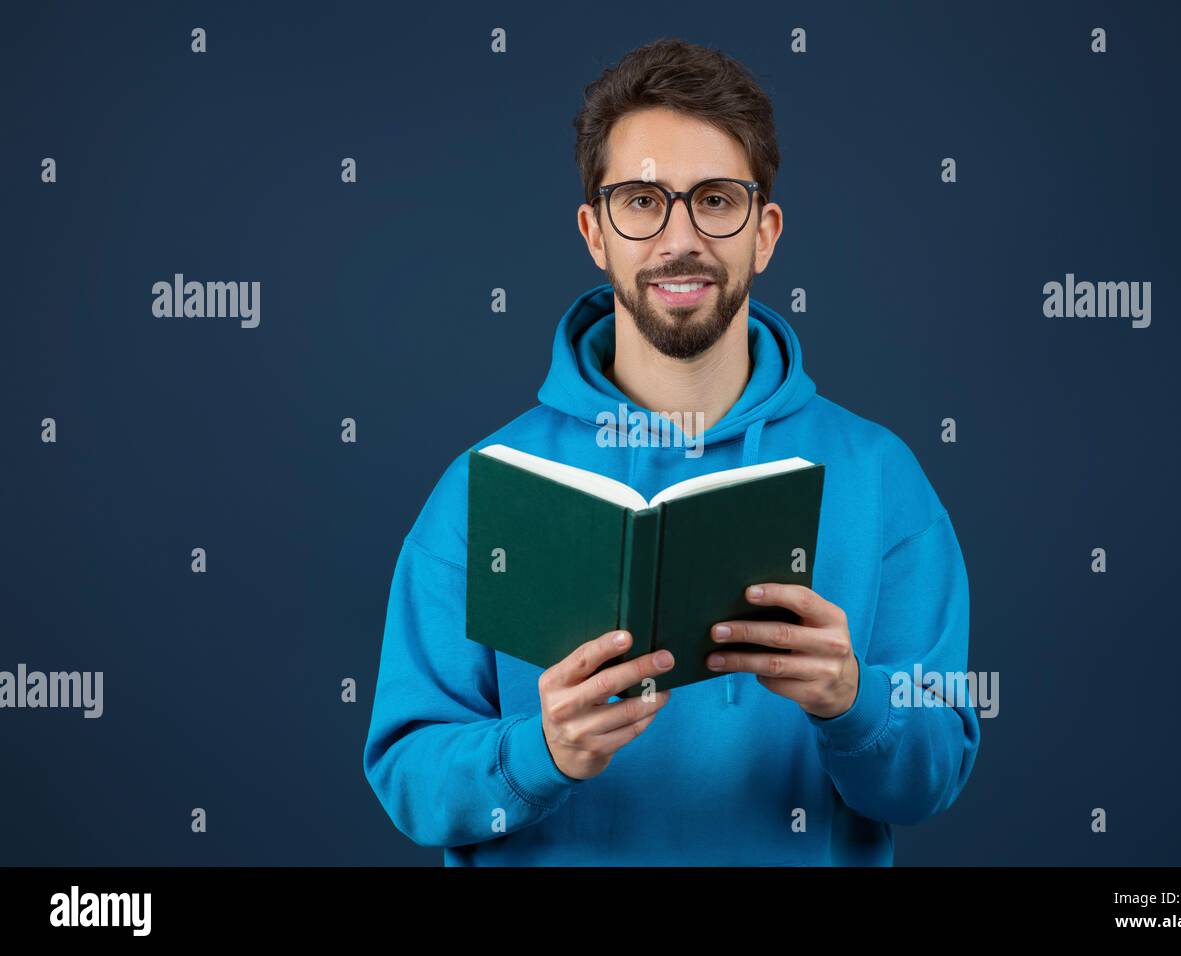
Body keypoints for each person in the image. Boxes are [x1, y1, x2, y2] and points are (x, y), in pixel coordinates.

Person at [362, 37, 979, 865]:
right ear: (595, 232)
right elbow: (409, 779)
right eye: (642, 201)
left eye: (715, 200)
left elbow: (930, 780)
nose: (679, 239)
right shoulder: (484, 489)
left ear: (764, 233)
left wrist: (853, 701)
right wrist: (539, 753)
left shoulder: (882, 480)